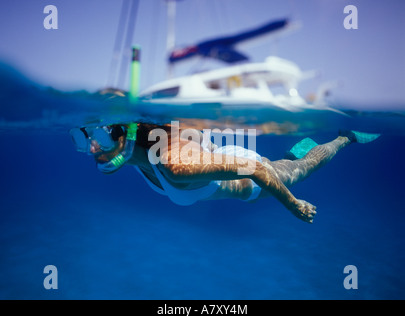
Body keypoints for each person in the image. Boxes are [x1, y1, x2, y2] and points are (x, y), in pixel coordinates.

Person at [69, 121, 379, 224]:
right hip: (230, 171)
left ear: (122, 132)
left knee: (302, 169)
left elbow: (256, 169)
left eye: (100, 138)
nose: (93, 149)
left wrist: (294, 205)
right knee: (284, 163)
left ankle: (345, 137)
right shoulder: (139, 146)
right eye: (83, 140)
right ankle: (290, 155)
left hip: (251, 180)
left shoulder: (175, 164)